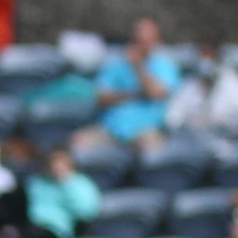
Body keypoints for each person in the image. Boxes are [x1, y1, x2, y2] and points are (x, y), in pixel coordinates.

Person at [74, 17, 181, 154]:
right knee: (78, 141)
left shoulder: (164, 64)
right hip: (111, 127)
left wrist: (137, 66)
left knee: (152, 151)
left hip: (145, 129)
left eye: (146, 40)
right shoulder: (115, 62)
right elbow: (101, 97)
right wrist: (133, 94)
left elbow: (155, 93)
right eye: (137, 39)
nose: (141, 44)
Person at [166, 44, 238, 140]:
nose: (206, 62)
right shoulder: (189, 84)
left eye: (210, 57)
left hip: (229, 144)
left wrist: (219, 121)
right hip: (193, 144)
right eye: (203, 57)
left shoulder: (234, 84)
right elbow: (173, 116)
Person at [24, 146, 101, 238]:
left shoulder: (80, 184)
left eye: (61, 164)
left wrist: (66, 183)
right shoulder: (36, 183)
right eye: (53, 163)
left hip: (58, 232)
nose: (56, 167)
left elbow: (87, 212)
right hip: (32, 227)